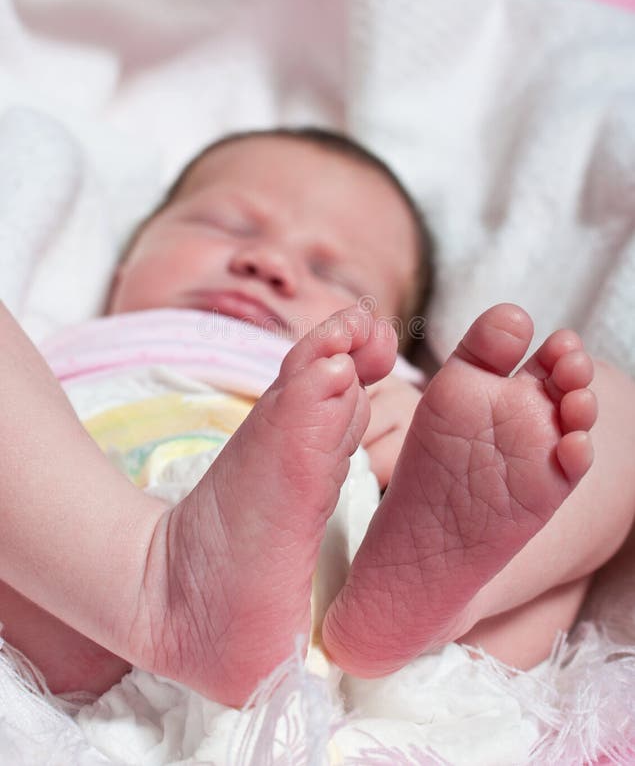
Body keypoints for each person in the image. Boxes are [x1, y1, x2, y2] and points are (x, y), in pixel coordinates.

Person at [0, 128, 633, 709]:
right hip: (86, 611)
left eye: (332, 272)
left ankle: (448, 601)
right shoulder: (63, 347)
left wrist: (411, 434)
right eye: (226, 226)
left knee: (613, 409)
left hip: (372, 615)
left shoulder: (402, 401)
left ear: (396, 342)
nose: (268, 264)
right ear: (126, 259)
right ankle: (153, 582)